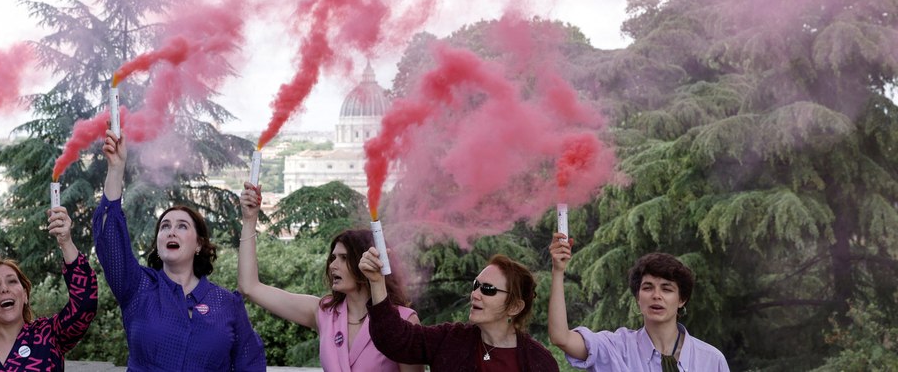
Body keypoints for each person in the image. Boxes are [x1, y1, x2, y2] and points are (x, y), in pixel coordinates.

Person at [93, 130, 266, 371]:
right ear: (158, 242)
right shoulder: (138, 287)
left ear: (199, 244)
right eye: (164, 226)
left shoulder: (227, 303)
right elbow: (109, 238)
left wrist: (249, 219)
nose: (171, 231)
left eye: (182, 226)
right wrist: (115, 168)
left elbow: (251, 363)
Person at [238, 182, 423, 372]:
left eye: (344, 258)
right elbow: (249, 287)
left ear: (368, 262)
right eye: (333, 258)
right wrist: (250, 220)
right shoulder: (325, 313)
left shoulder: (404, 320)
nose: (333, 265)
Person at [548, 233, 731, 371]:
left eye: (666, 289)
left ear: (681, 300)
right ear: (637, 297)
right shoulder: (615, 349)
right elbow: (561, 338)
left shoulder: (711, 360)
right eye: (648, 288)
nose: (656, 295)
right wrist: (558, 271)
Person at [361, 247, 559, 372]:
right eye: (476, 285)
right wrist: (377, 283)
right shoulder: (450, 339)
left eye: (488, 289)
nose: (475, 294)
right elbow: (395, 340)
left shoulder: (539, 362)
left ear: (515, 307)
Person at [0, 206, 98, 370]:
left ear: (24, 295)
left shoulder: (50, 335)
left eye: (12, 281)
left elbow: (85, 304)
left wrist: (65, 242)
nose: (4, 288)